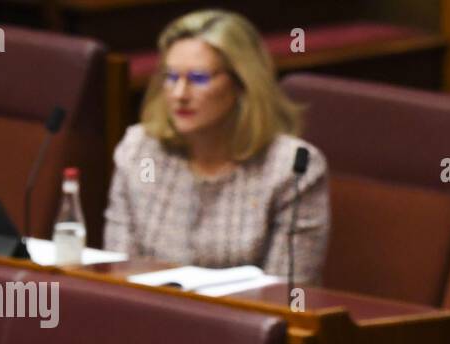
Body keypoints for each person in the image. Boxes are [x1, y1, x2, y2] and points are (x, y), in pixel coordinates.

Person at [103, 9, 330, 280]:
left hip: (246, 320)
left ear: (241, 84)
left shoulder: (291, 168)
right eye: (171, 77)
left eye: (198, 79)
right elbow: (120, 272)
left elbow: (287, 293)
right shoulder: (140, 151)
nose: (179, 94)